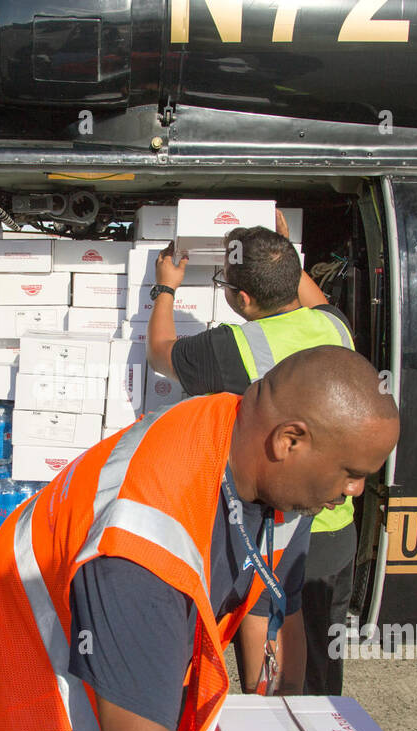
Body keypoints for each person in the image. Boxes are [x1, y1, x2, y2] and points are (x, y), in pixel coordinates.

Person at [0, 346, 400, 731]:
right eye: (352, 474)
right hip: (52, 717)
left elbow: (270, 628)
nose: (356, 491)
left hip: (132, 691)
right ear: (289, 440)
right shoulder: (142, 538)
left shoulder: (276, 476)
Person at [146, 215, 358, 696]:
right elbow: (312, 298)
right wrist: (282, 249)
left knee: (269, 622)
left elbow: (160, 353)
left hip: (278, 532)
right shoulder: (334, 326)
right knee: (322, 659)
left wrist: (165, 289)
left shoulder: (231, 347)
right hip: (335, 531)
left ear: (242, 300)